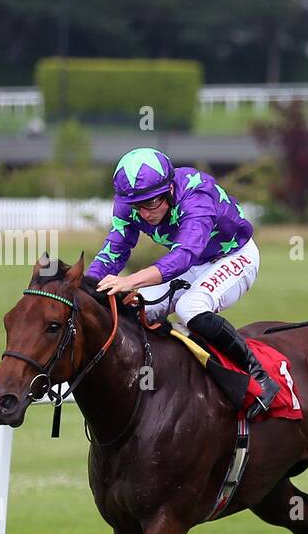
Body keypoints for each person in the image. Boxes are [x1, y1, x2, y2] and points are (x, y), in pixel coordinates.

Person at [89, 147, 278, 415]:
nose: (144, 213)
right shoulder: (130, 201)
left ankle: (259, 377)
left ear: (169, 189)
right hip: (195, 263)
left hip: (235, 256)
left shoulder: (196, 195)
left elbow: (183, 256)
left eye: (152, 202)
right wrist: (84, 288)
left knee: (190, 308)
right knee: (137, 308)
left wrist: (131, 280)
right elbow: (114, 250)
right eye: (137, 206)